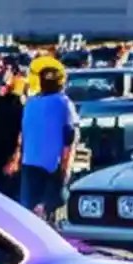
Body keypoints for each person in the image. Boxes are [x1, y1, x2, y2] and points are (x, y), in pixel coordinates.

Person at [19, 66, 78, 222]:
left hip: (29, 161)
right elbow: (69, 137)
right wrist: (66, 167)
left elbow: (24, 134)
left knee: (28, 210)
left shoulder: (30, 103)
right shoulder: (64, 103)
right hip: (52, 165)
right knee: (54, 206)